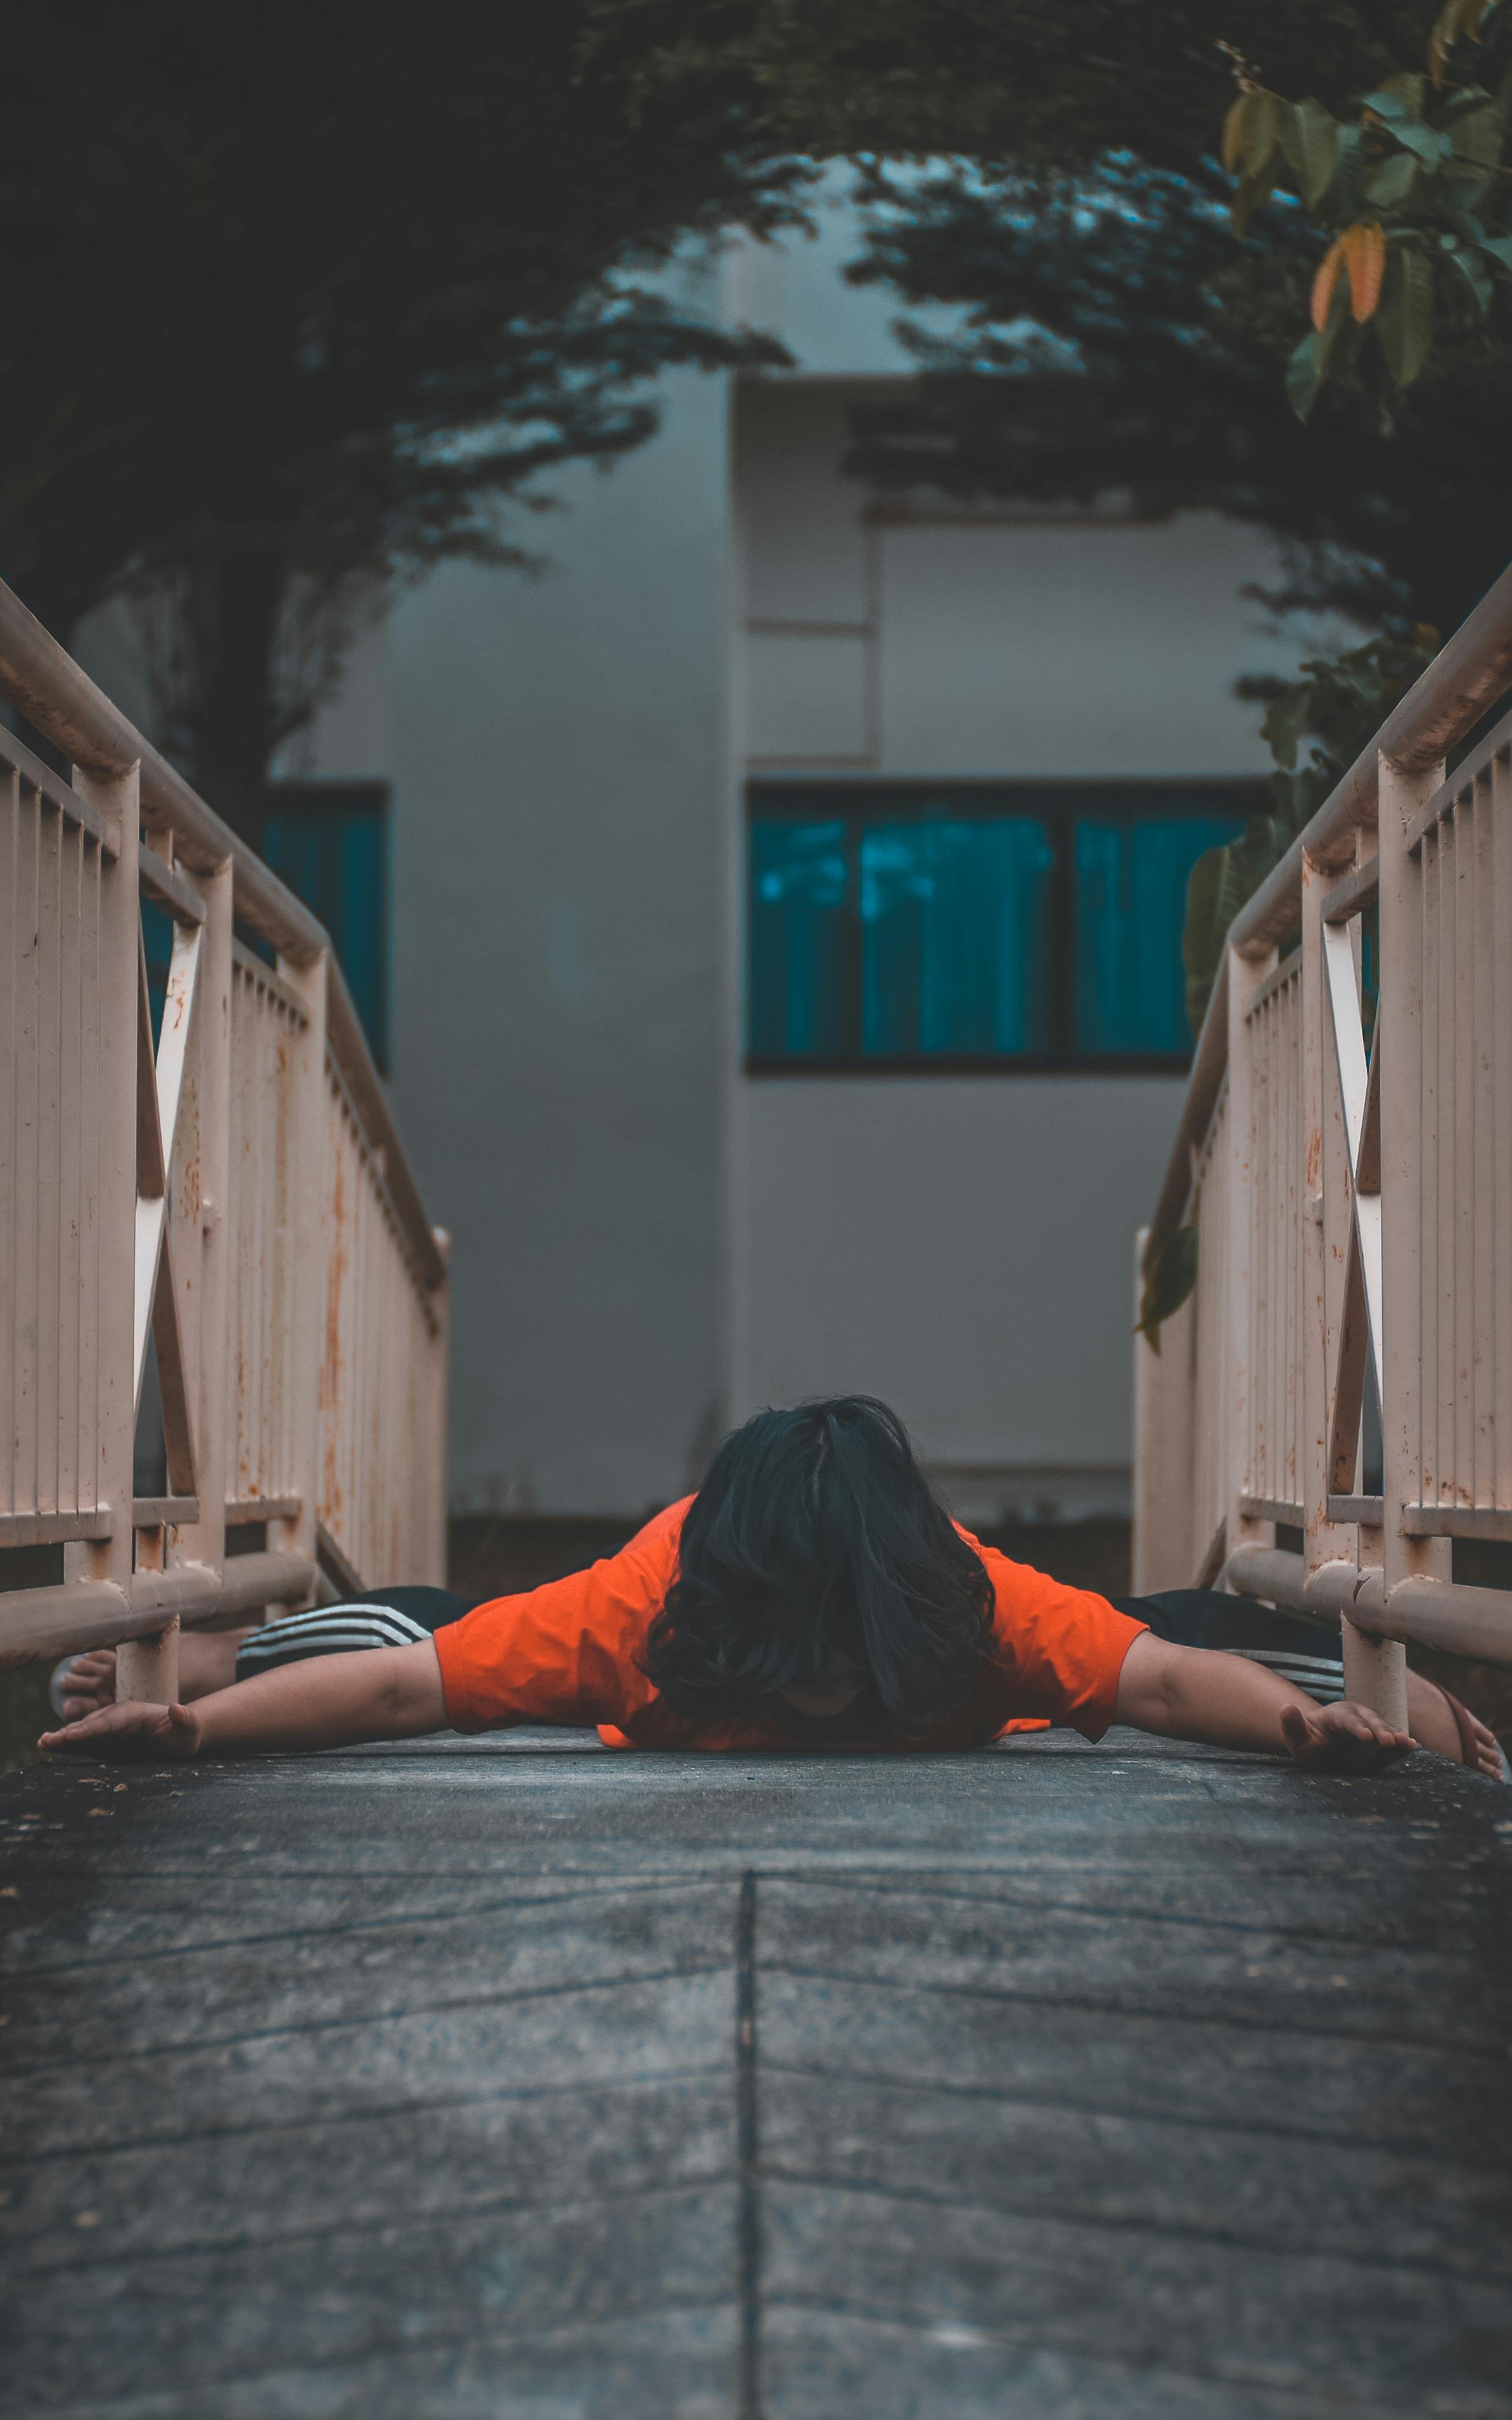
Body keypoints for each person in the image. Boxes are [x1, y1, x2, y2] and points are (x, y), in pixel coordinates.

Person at [39, 1397, 1503, 1776]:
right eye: (793, 1653)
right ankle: (228, 1651)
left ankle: (1416, 1693)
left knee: (1200, 1628)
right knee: (412, 1619)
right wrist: (195, 1728)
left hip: (991, 1609)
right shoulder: (642, 1609)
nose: (819, 1682)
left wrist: (1333, 1725)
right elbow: (396, 1692)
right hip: (608, 1618)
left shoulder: (962, 1601)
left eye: (841, 1652)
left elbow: (1168, 1682)